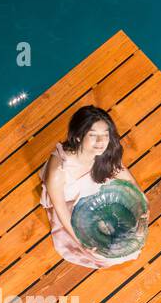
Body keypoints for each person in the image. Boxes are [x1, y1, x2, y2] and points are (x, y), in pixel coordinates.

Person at [40, 105, 143, 267]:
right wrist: (82, 243)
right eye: (93, 135)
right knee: (104, 252)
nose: (101, 142)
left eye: (105, 135)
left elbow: (130, 182)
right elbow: (61, 209)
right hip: (71, 206)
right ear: (78, 137)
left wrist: (141, 208)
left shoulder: (103, 154)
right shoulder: (59, 170)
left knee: (130, 236)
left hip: (96, 197)